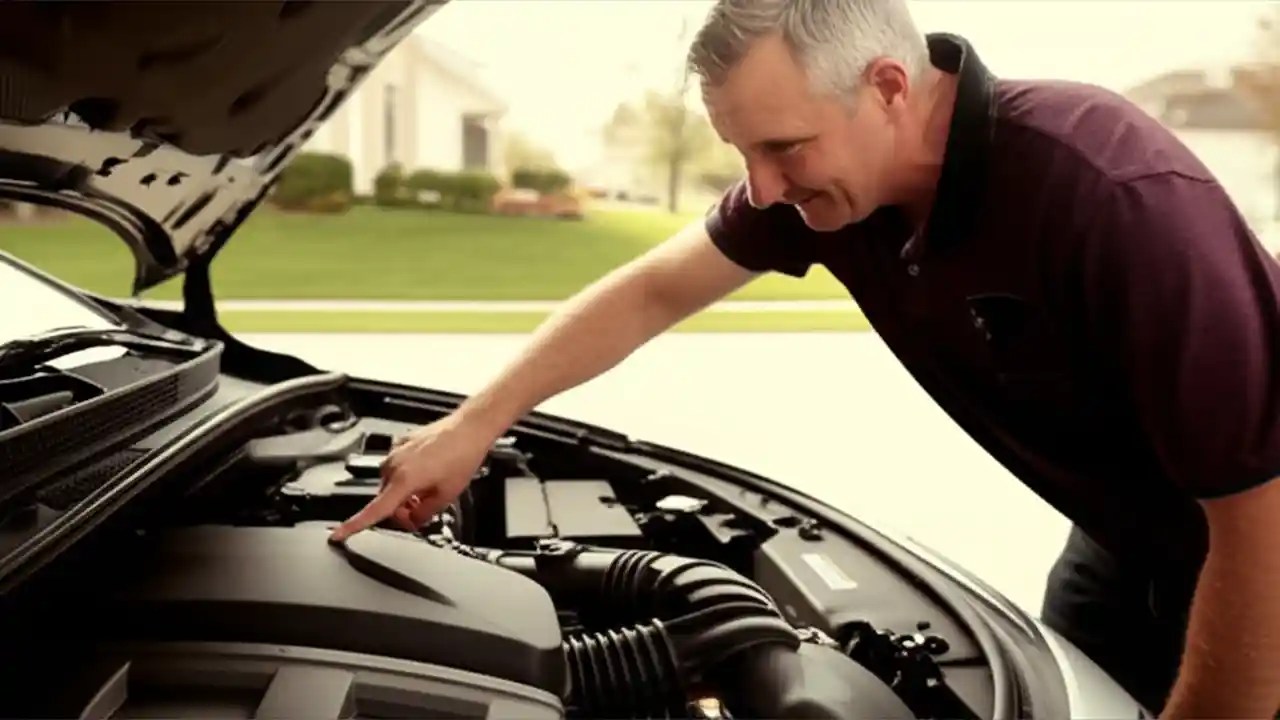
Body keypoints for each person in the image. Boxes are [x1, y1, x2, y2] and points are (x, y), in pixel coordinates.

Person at [329, 1, 1280, 716]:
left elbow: (1261, 508)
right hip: (1124, 547)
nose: (763, 187)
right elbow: (654, 290)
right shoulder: (833, 190)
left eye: (784, 148)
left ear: (889, 88)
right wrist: (473, 424)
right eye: (743, 152)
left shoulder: (1107, 190)